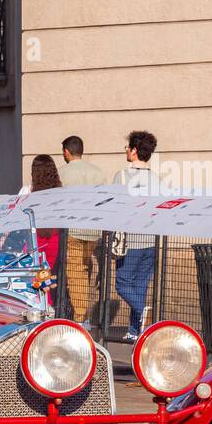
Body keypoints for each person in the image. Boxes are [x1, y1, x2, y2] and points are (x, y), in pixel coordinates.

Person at [110, 130, 160, 342]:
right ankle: (134, 330)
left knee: (122, 284)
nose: (126, 152)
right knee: (140, 285)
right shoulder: (156, 180)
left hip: (130, 240)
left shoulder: (121, 176)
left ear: (134, 151)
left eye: (127, 148)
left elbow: (113, 206)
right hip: (151, 239)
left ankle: (143, 317)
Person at [57, 135, 105, 326]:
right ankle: (82, 312)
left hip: (73, 230)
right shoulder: (98, 172)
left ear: (66, 152)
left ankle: (80, 318)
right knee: (84, 269)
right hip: (93, 229)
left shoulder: (62, 173)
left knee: (75, 272)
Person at [29, 155, 63, 271]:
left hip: (35, 238)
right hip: (55, 237)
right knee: (47, 277)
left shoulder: (29, 194)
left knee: (34, 277)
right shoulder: (60, 194)